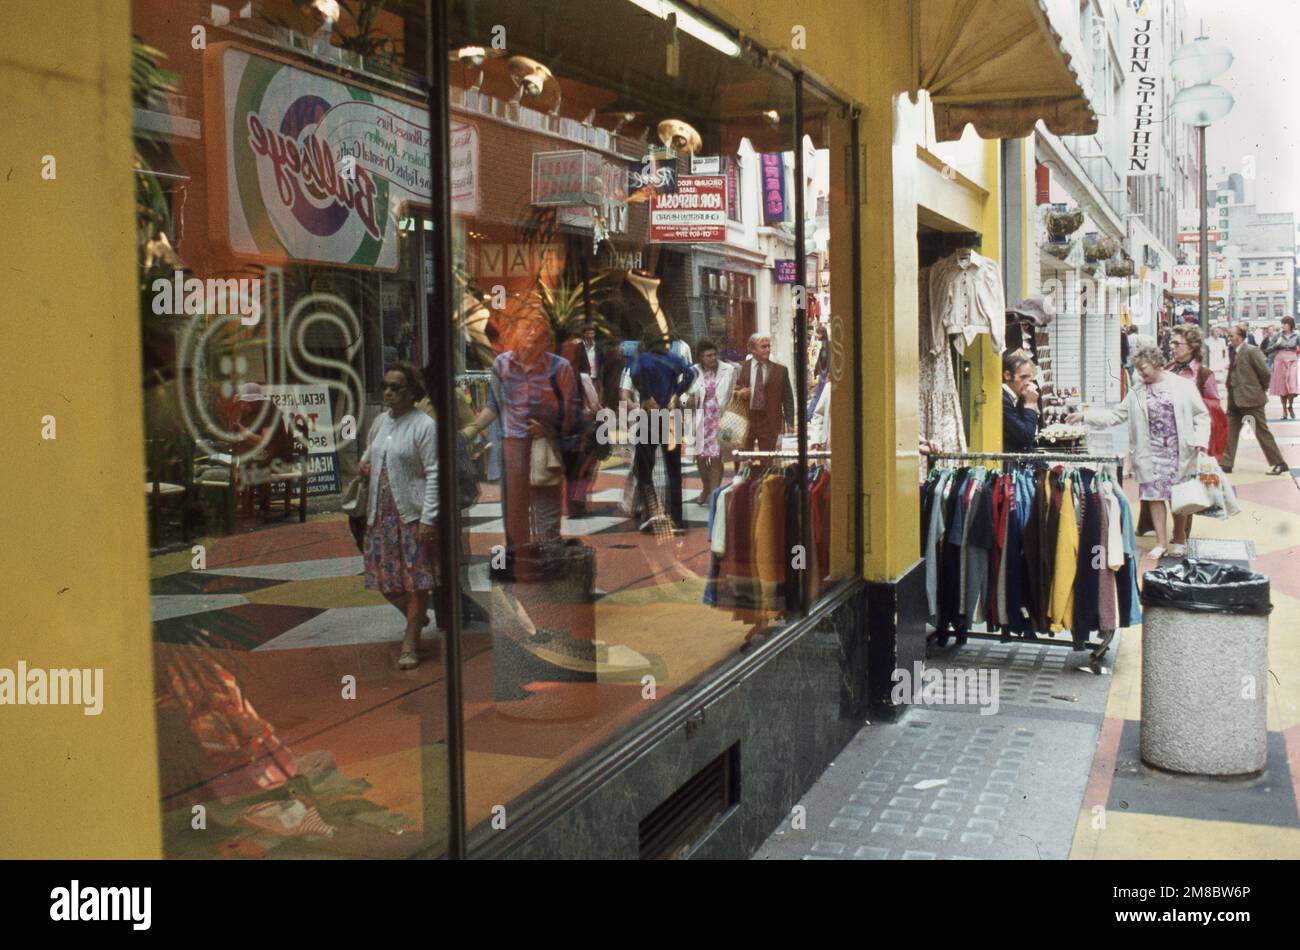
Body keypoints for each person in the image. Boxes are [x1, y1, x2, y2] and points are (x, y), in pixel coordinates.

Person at [1068, 345, 1209, 560]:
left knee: (1180, 497)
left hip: (1179, 450)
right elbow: (1116, 416)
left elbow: (1201, 415)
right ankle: (1161, 542)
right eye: (1138, 369)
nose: (1140, 373)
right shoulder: (1137, 391)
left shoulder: (1183, 386)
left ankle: (1179, 538)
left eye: (1144, 368)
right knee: (1154, 496)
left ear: (1156, 363)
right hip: (1149, 452)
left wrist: (1200, 439)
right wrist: (1085, 417)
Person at [460, 313, 581, 560]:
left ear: (546, 342)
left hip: (545, 446)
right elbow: (493, 406)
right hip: (513, 446)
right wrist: (465, 435)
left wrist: (547, 426)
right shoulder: (501, 365)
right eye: (525, 332)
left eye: (536, 335)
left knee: (546, 510)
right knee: (514, 511)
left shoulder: (560, 368)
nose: (529, 339)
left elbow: (572, 412)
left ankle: (549, 560)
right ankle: (520, 560)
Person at [359, 362, 440, 671]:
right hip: (380, 516)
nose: (389, 393)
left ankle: (410, 642)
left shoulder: (423, 426)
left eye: (396, 388)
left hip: (411, 516)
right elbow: (369, 455)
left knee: (417, 581)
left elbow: (434, 473)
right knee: (386, 582)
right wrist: (363, 466)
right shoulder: (380, 422)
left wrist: (428, 518)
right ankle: (416, 617)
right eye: (386, 387)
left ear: (412, 392)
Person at [626, 326, 696, 531]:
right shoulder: (674, 359)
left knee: (645, 468)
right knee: (673, 470)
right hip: (670, 415)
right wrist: (676, 393)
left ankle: (653, 514)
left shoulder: (641, 359)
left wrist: (646, 397)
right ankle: (677, 520)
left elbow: (635, 377)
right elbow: (691, 374)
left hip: (649, 416)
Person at [1222, 323, 1290, 475]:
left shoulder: (1251, 351)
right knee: (1229, 431)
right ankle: (1226, 463)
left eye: (1231, 335)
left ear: (1240, 337)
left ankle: (1279, 463)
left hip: (1251, 399)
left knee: (1261, 432)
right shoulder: (1234, 351)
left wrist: (1260, 389)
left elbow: (1265, 373)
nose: (1229, 338)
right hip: (1234, 398)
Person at [682, 338, 736, 504]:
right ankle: (706, 487)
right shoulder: (692, 372)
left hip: (721, 418)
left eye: (715, 354)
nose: (713, 358)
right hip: (699, 419)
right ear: (700, 357)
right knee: (700, 457)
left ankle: (714, 494)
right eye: (708, 355)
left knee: (716, 457)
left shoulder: (729, 370)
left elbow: (733, 393)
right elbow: (681, 393)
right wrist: (686, 401)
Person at [733, 333, 795, 452]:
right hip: (746, 419)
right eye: (763, 347)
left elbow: (788, 397)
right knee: (743, 459)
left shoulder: (781, 371)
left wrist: (790, 420)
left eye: (769, 346)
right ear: (752, 349)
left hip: (769, 420)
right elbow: (731, 391)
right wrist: (739, 393)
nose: (768, 349)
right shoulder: (740, 368)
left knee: (769, 462)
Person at [1001, 350, 1040, 452]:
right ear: (1007, 375)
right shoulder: (1003, 400)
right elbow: (1026, 437)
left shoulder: (1016, 398)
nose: (1027, 383)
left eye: (1029, 378)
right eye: (1023, 377)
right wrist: (1030, 405)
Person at [1265, 315, 1299, 420]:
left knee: (1293, 387)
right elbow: (1268, 350)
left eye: (1285, 324)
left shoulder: (1296, 336)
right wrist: (1276, 344)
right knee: (1282, 387)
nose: (1283, 326)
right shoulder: (1277, 335)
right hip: (1280, 361)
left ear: (1291, 325)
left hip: (1292, 361)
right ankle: (1284, 409)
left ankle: (1290, 406)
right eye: (1282, 324)